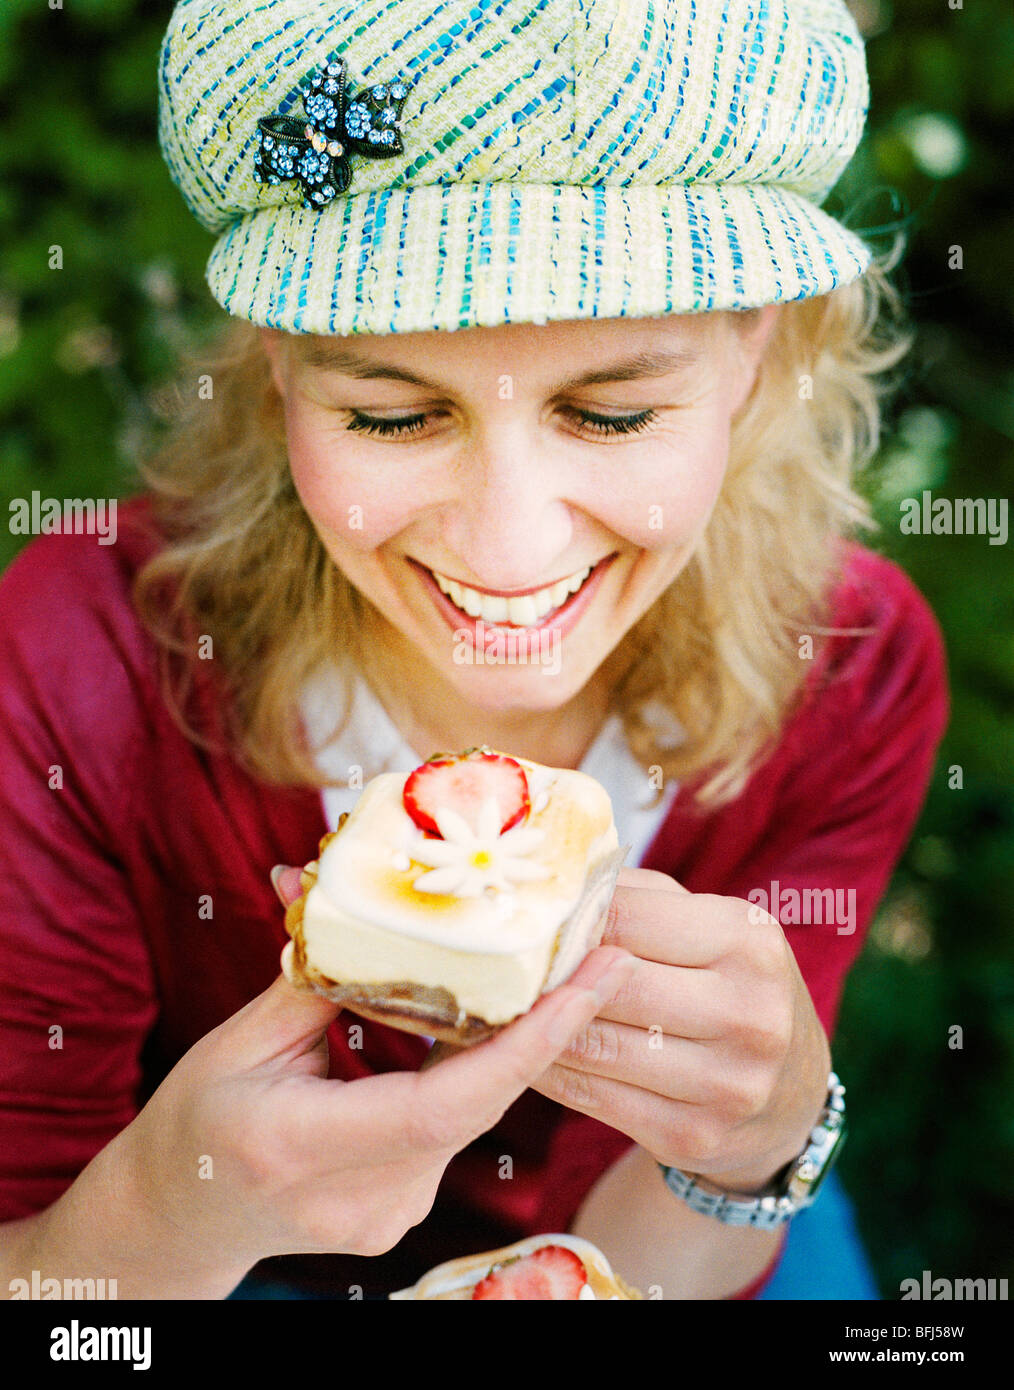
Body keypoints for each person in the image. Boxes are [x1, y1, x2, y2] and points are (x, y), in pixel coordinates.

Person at [0, 0, 948, 1301]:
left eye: (611, 413)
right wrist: (166, 1216)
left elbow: (705, 1192)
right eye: (391, 415)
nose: (507, 552)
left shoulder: (853, 663)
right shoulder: (73, 669)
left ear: (756, 348)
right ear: (275, 364)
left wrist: (761, 1143)